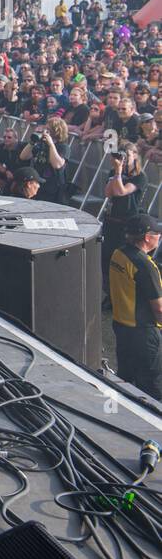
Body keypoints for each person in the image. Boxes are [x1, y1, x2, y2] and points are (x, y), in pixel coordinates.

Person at [108, 213, 162, 400]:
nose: (159, 236)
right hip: (143, 333)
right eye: (157, 233)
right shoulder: (145, 266)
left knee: (126, 381)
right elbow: (159, 308)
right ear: (147, 237)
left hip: (121, 327)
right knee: (152, 387)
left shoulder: (118, 254)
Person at [103, 142, 146, 299]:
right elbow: (108, 193)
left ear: (135, 155)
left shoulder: (140, 177)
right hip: (111, 221)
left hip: (127, 223)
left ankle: (124, 295)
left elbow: (121, 191)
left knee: (123, 261)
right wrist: (116, 172)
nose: (123, 158)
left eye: (127, 155)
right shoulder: (113, 172)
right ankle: (110, 295)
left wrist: (119, 172)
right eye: (121, 155)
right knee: (107, 259)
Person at [18, 116, 68, 204]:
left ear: (56, 131)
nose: (45, 131)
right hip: (37, 185)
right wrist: (33, 142)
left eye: (48, 129)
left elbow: (57, 165)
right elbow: (23, 157)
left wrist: (51, 144)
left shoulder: (63, 147)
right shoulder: (40, 145)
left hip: (53, 187)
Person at [0, 127, 23, 194]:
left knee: (14, 186)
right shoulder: (1, 147)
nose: (6, 139)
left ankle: (13, 192)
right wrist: (6, 172)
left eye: (9, 137)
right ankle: (6, 190)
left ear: (16, 138)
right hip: (9, 171)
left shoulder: (22, 147)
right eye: (4, 137)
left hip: (21, 173)